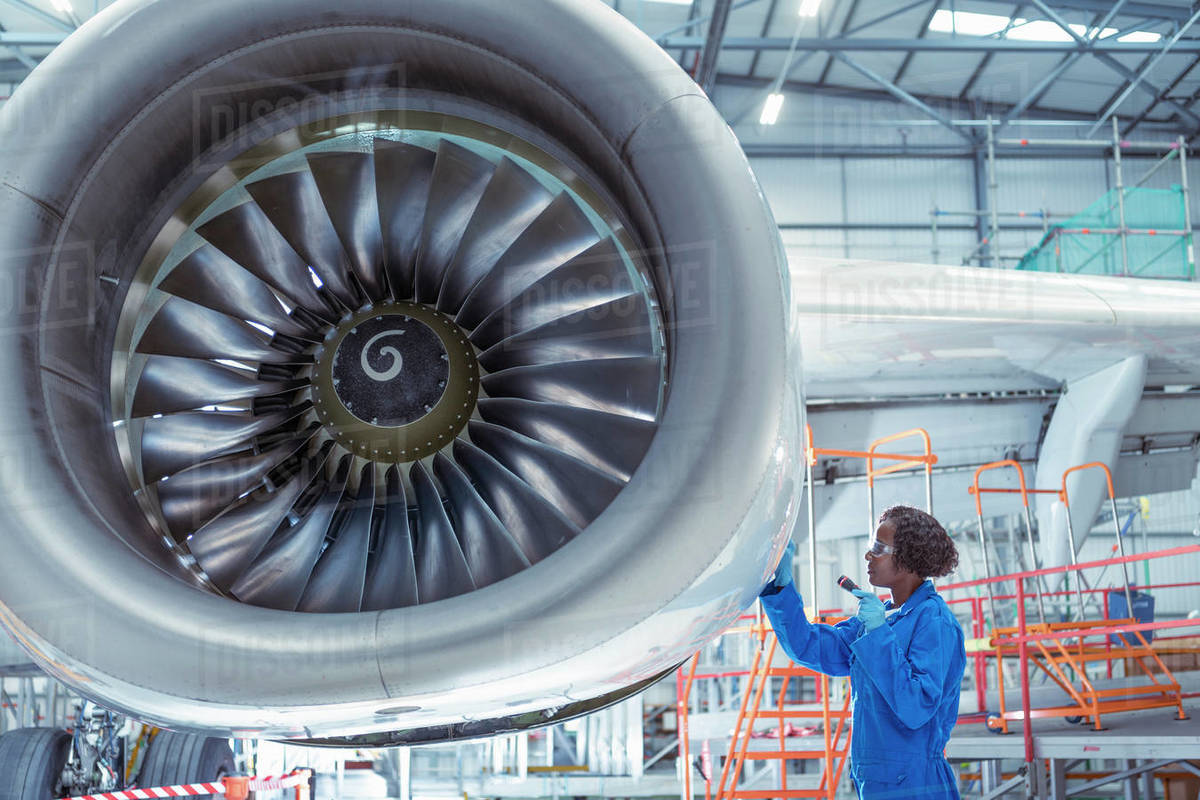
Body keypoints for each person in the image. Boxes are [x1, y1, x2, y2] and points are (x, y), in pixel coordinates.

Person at [759, 505, 966, 800]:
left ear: (910, 558)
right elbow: (808, 647)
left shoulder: (935, 622)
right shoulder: (880, 618)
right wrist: (782, 589)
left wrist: (879, 634)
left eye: (879, 548)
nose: (869, 555)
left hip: (917, 785)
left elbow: (916, 706)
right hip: (876, 782)